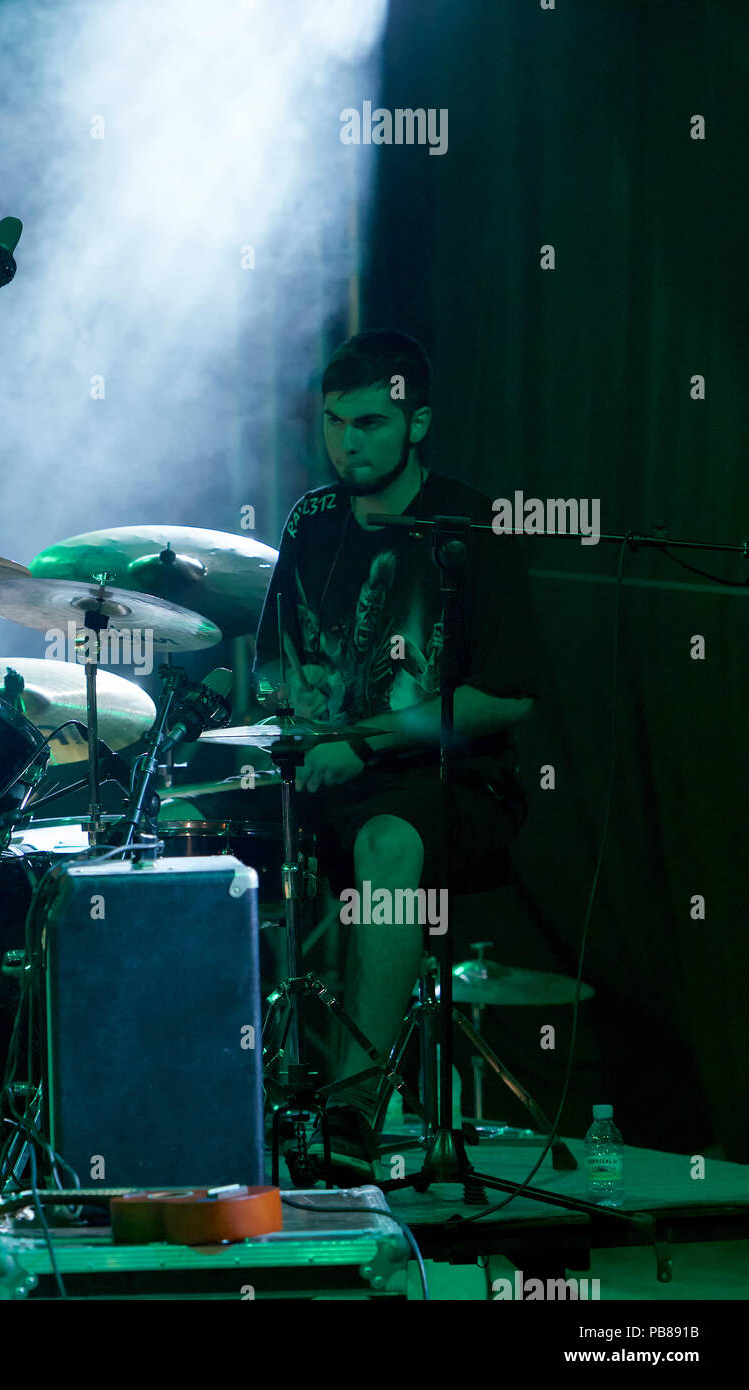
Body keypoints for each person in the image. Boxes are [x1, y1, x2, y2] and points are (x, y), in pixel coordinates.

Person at [253, 329, 541, 1182]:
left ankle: (353, 1107)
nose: (349, 442)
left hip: (447, 784)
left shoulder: (471, 524)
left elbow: (507, 695)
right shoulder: (309, 522)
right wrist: (300, 743)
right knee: (174, 838)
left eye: (372, 423)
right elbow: (279, 680)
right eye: (336, 423)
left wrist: (365, 739)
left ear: (418, 423)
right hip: (324, 770)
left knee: (387, 844)